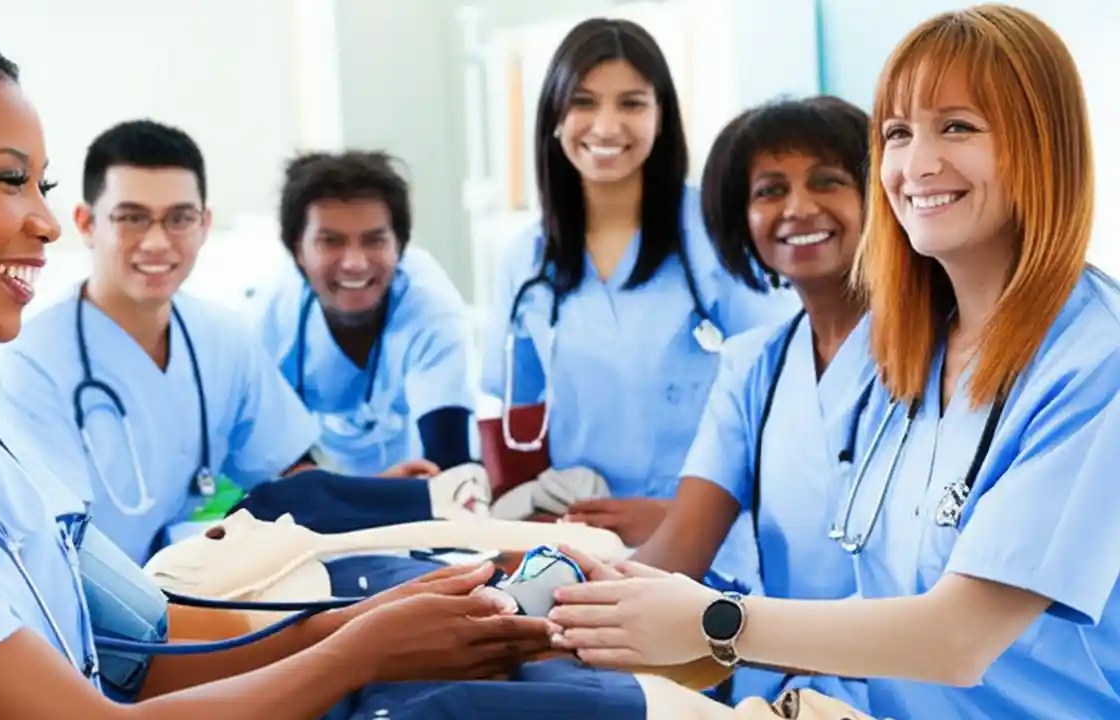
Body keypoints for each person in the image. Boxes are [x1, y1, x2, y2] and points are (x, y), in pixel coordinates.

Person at [0, 4, 553, 718]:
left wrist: (361, 620)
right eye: (6, 178)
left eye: (43, 186)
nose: (46, 222)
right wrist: (358, 652)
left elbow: (137, 649)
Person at [550, 6, 1120, 718]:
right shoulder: (921, 358)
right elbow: (882, 602)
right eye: (899, 134)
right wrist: (594, 603)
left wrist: (716, 620)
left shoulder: (1097, 361)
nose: (918, 164)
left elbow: (959, 638)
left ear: (1045, 146)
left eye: (958, 127)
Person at [0, 121, 439, 564]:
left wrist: (372, 497)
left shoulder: (221, 337)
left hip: (201, 593)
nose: (157, 242)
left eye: (179, 218)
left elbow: (290, 475)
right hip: (93, 623)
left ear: (204, 224)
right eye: (132, 218)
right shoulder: (26, 366)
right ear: (86, 223)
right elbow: (56, 550)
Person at [480, 18, 798, 549]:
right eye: (583, 102)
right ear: (554, 117)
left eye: (631, 104)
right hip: (579, 535)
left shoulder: (715, 230)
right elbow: (516, 412)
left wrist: (679, 514)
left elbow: (781, 388)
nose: (606, 127)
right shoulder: (527, 259)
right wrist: (522, 506)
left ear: (661, 117)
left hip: (711, 532)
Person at [630, 95, 875, 707]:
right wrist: (552, 586)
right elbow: (676, 552)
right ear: (741, 218)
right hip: (785, 694)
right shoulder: (753, 367)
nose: (798, 208)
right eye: (769, 190)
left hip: (914, 686)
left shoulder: (943, 354)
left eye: (829, 182)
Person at [251, 150, 476, 477]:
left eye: (374, 240)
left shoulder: (432, 308)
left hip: (411, 478)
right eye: (331, 242)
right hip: (324, 490)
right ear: (298, 250)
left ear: (399, 245)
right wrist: (363, 497)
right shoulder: (269, 317)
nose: (354, 262)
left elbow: (449, 464)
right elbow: (277, 464)